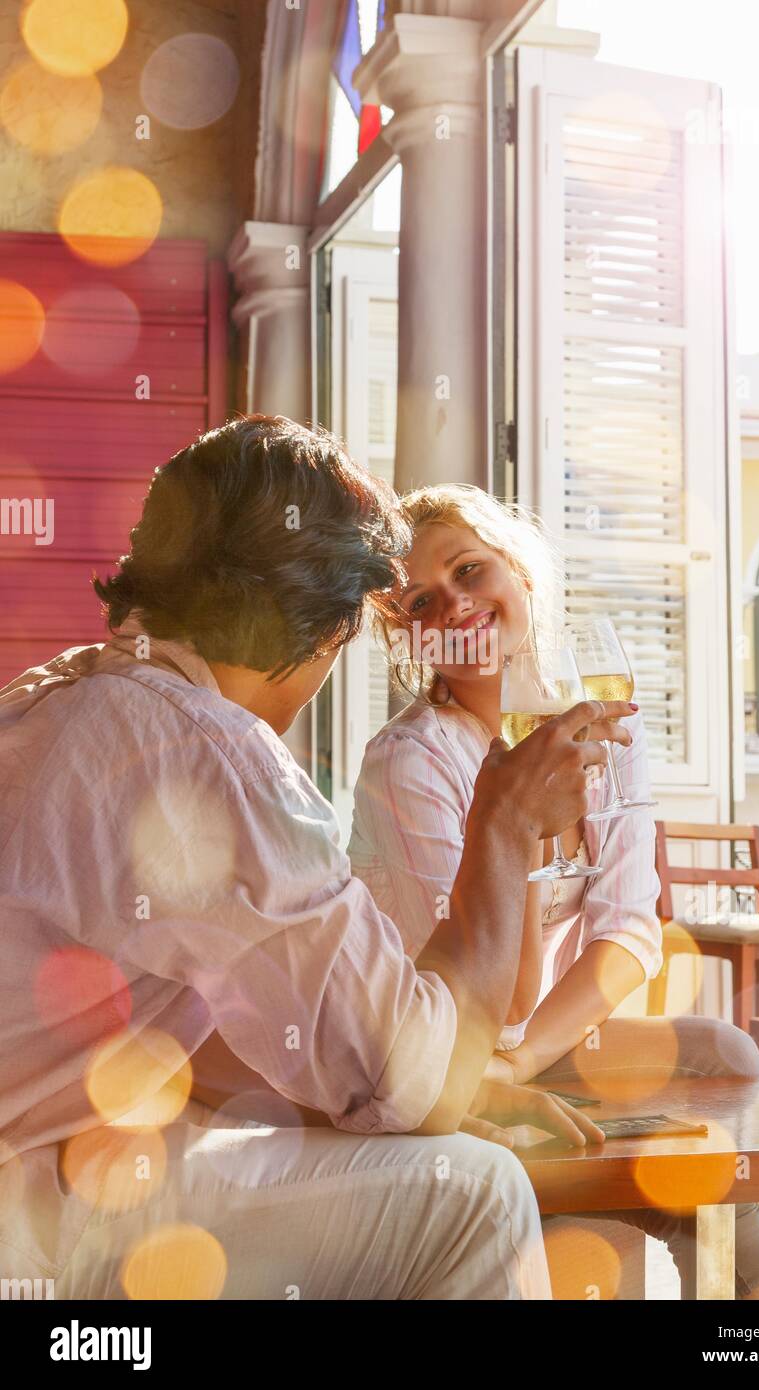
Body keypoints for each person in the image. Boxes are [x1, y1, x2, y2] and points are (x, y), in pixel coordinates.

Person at [0, 416, 617, 1301]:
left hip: (71, 1141)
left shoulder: (71, 696)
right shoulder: (204, 750)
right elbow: (420, 1078)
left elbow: (253, 1043)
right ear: (322, 629)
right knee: (470, 1193)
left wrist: (408, 1086)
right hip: (31, 1201)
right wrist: (504, 822)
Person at [348, 483, 759, 1300]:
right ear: (407, 633)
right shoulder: (411, 763)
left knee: (725, 1056)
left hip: (528, 1051)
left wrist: (523, 1061)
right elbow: (497, 997)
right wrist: (513, 826)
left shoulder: (603, 725)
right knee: (681, 1155)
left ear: (519, 571)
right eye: (423, 598)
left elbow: (627, 932)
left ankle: (756, 1316)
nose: (455, 604)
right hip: (442, 1059)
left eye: (470, 569)